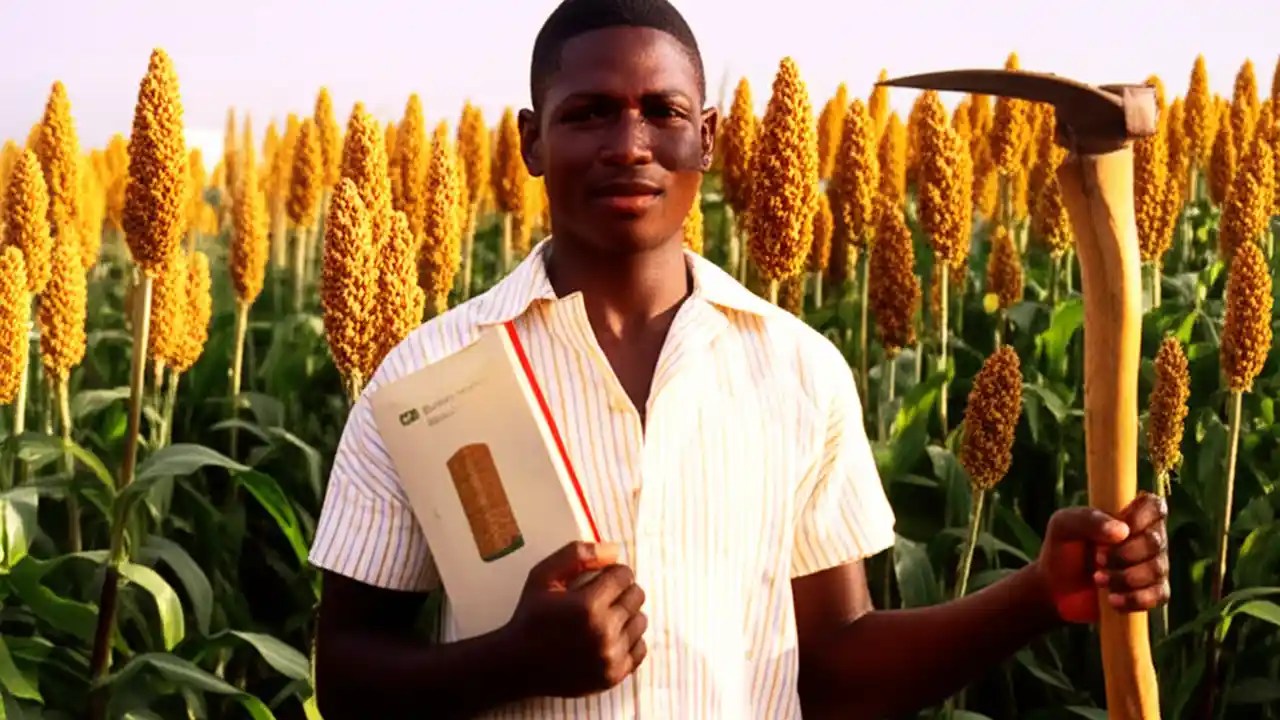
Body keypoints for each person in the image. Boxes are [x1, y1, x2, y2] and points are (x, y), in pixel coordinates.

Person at [307, 0, 1172, 717]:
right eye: (589, 112)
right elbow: (343, 677)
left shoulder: (799, 370)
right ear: (532, 141)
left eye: (663, 111)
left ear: (709, 136)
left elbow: (835, 670)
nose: (630, 144)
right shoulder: (428, 377)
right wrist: (511, 661)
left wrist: (1040, 592)